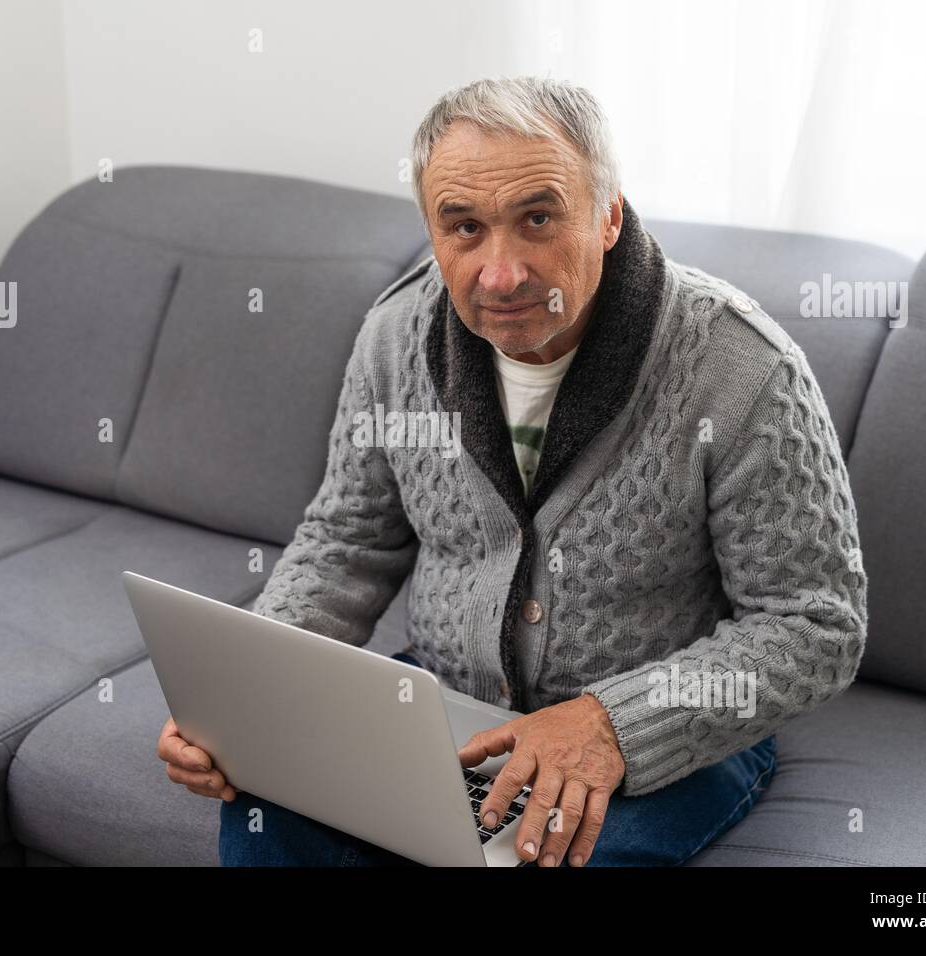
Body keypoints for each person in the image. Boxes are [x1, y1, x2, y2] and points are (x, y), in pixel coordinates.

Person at [157, 75, 867, 867]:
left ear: (607, 216)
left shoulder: (744, 371)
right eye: (464, 227)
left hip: (659, 737)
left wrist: (609, 723)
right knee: (267, 798)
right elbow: (348, 542)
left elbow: (815, 623)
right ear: (433, 234)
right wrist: (247, 692)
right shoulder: (394, 340)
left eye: (537, 218)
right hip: (443, 707)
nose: (501, 273)